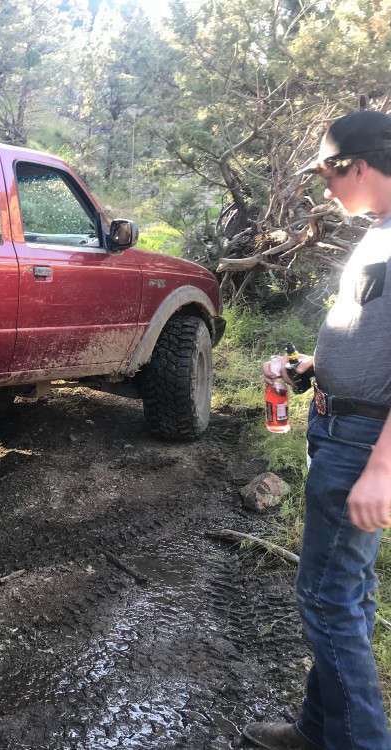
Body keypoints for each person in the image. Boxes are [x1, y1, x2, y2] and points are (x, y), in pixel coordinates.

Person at [242, 110, 391, 750]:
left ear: (357, 164)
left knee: (327, 603)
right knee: (345, 596)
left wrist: (384, 466)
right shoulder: (380, 231)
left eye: (329, 175)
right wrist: (313, 364)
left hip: (364, 444)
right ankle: (316, 731)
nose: (324, 190)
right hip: (342, 431)